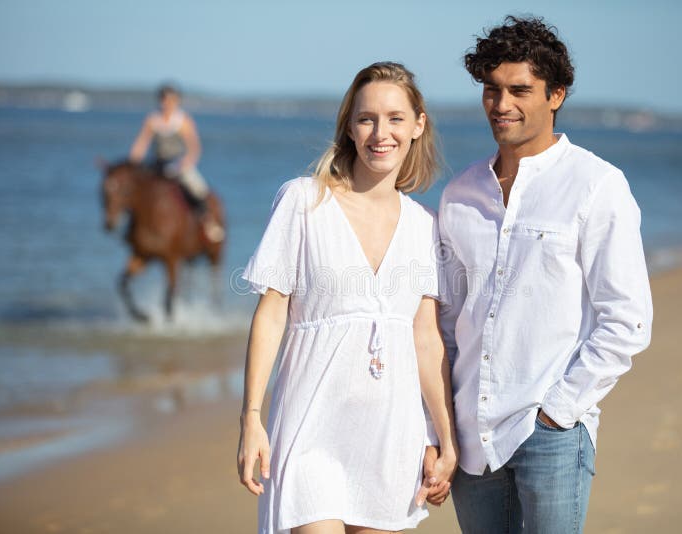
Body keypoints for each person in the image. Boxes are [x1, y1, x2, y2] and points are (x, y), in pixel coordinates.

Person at [430, 16, 653, 532]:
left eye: (519, 90)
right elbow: (447, 323)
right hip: (470, 439)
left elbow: (627, 320)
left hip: (549, 432)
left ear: (556, 95)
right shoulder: (459, 195)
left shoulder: (597, 185)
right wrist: (441, 425)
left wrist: (557, 412)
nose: (501, 104)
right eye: (491, 89)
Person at [236, 62, 458, 534]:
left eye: (396, 118)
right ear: (350, 128)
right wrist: (251, 417)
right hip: (309, 428)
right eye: (367, 119)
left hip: (390, 435)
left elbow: (425, 339)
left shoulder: (424, 226)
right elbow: (272, 313)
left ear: (418, 125)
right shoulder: (304, 201)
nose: (382, 133)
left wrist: (443, 437)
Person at [128, 83, 224, 243]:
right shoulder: (153, 120)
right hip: (158, 163)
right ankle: (132, 227)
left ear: (177, 101)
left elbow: (194, 146)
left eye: (171, 100)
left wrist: (187, 162)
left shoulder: (183, 121)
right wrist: (132, 162)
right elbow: (141, 143)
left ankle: (208, 223)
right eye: (164, 100)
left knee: (198, 189)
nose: (167, 103)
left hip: (178, 164)